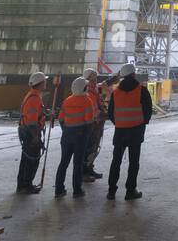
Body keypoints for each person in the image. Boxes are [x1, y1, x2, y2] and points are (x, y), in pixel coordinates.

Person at [106, 63, 152, 201]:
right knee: (133, 162)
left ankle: (111, 191)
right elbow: (148, 111)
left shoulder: (116, 92)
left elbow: (111, 113)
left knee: (116, 161)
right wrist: (142, 123)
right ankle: (130, 191)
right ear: (133, 74)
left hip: (120, 132)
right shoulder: (141, 90)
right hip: (136, 131)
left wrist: (119, 123)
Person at [55, 77, 96, 197]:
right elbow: (89, 122)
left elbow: (61, 118)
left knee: (63, 162)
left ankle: (59, 190)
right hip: (80, 135)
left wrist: (67, 130)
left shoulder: (67, 100)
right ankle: (77, 190)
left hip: (67, 134)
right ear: (84, 88)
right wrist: (87, 134)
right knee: (77, 163)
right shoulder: (87, 101)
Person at [16, 72, 48, 194]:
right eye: (44, 81)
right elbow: (31, 121)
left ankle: (23, 184)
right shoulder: (34, 98)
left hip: (28, 130)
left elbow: (34, 115)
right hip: (31, 132)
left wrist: (45, 114)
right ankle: (25, 185)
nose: (46, 83)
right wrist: (36, 137)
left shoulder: (33, 95)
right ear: (40, 83)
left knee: (26, 160)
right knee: (31, 160)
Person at [81, 68, 105, 182]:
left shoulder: (93, 90)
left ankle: (89, 168)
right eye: (93, 78)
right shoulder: (88, 93)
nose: (95, 81)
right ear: (88, 79)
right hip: (92, 125)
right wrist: (103, 114)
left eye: (96, 78)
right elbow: (92, 110)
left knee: (93, 149)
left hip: (97, 124)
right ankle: (84, 172)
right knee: (88, 149)